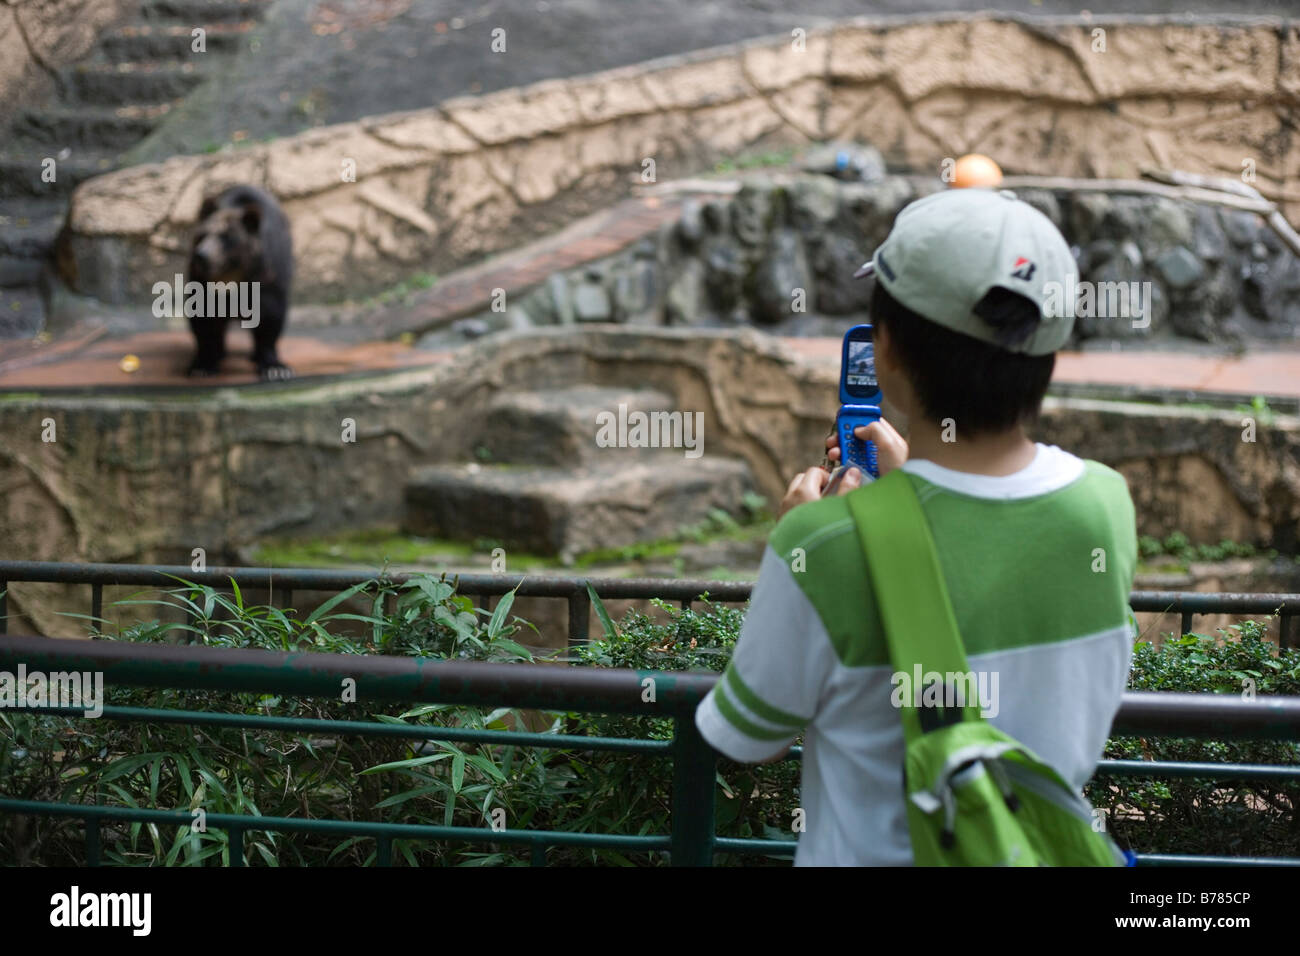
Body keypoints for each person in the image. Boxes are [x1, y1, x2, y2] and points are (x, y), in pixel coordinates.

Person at [694, 188, 1138, 866]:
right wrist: (906, 500)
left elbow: (752, 737)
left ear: (888, 348)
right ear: (1050, 345)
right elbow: (983, 540)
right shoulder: (1105, 506)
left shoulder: (824, 544)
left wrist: (804, 544)